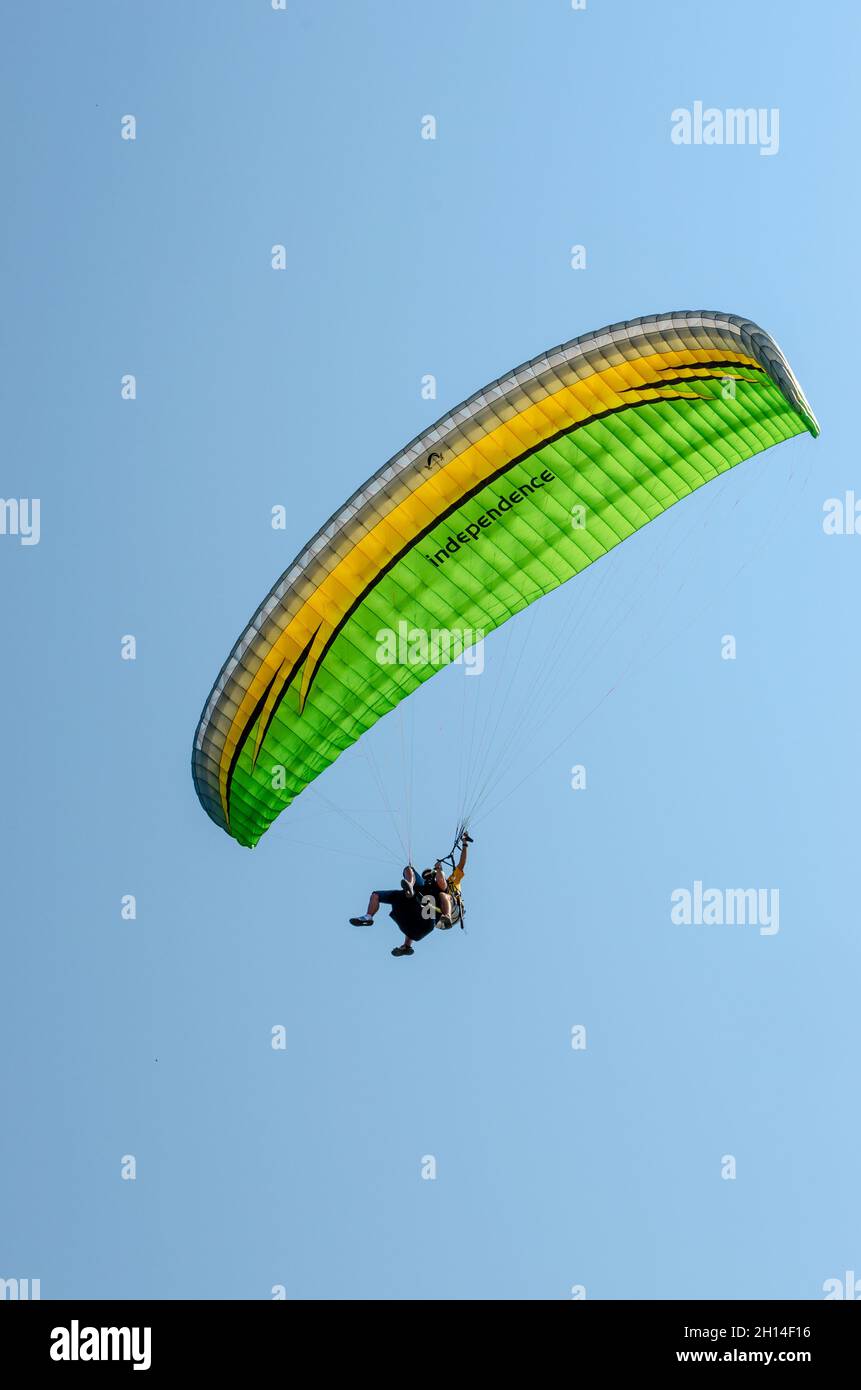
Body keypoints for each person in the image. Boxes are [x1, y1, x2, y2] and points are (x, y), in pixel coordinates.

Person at [349, 835, 472, 957]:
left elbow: (460, 865)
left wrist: (464, 845)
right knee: (381, 896)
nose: (428, 877)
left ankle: (447, 916)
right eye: (425, 876)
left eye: (430, 874)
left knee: (441, 895)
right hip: (418, 923)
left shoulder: (449, 881)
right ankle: (369, 918)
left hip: (449, 910)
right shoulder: (424, 891)